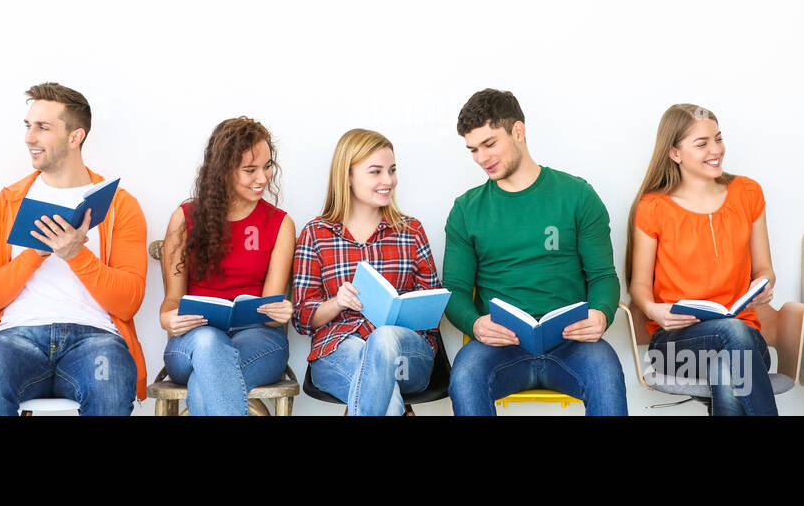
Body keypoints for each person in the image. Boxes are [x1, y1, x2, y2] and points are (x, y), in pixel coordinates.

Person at [0, 83, 147, 415]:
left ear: (75, 137)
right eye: (28, 126)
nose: (29, 137)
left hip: (96, 340)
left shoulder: (119, 205)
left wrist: (76, 254)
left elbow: (129, 301)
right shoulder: (6, 204)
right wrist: (36, 252)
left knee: (111, 381)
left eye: (42, 128)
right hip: (16, 339)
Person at [444, 89, 627, 415]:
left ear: (518, 131)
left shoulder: (577, 195)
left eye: (489, 144)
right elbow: (455, 291)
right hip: (500, 348)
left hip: (573, 345)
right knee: (465, 373)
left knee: (606, 373)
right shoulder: (466, 209)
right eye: (473, 149)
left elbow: (603, 277)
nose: (481, 158)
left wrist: (601, 314)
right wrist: (475, 326)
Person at [626, 104, 778, 415]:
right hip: (674, 344)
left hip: (746, 339)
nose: (716, 150)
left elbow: (764, 269)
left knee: (728, 360)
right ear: (675, 153)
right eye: (702, 143)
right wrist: (654, 309)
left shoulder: (747, 193)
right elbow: (639, 285)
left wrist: (764, 285)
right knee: (731, 336)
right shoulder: (653, 207)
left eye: (718, 139)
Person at [293, 129, 440, 416]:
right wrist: (337, 302)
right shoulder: (316, 234)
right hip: (337, 351)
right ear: (347, 176)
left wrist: (402, 311)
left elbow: (432, 313)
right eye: (376, 172)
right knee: (383, 390)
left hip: (407, 356)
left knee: (383, 338)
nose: (389, 181)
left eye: (392, 170)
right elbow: (301, 318)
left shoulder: (411, 231)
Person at [158, 117, 295, 415]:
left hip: (259, 340)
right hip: (193, 341)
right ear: (222, 171)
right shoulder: (184, 218)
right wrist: (169, 320)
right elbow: (171, 302)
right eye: (250, 170)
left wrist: (279, 311)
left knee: (205, 383)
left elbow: (270, 311)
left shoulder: (280, 224)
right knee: (208, 344)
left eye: (267, 166)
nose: (263, 178)